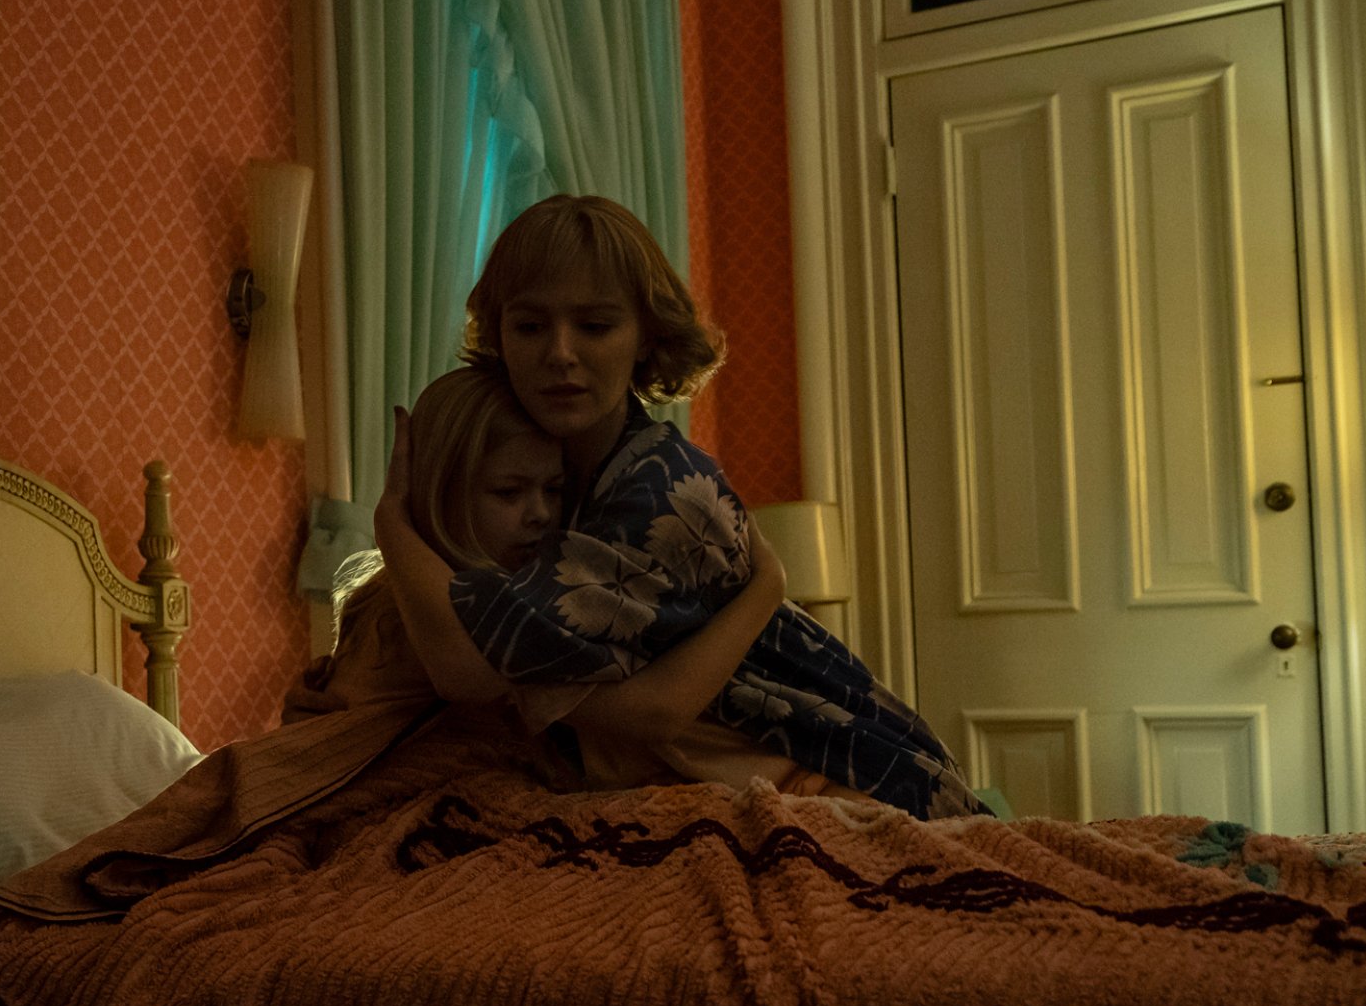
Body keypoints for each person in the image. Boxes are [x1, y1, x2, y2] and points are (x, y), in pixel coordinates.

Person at [373, 194, 984, 819]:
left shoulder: (661, 493)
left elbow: (470, 669)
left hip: (847, 777)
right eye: (530, 326)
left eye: (595, 326)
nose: (559, 352)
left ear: (644, 338)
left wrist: (390, 523)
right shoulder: (550, 483)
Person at [325, 367, 813, 792]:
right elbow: (653, 713)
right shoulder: (432, 615)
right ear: (440, 494)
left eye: (553, 489)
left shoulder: (560, 586)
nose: (539, 513)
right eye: (508, 491)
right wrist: (768, 585)